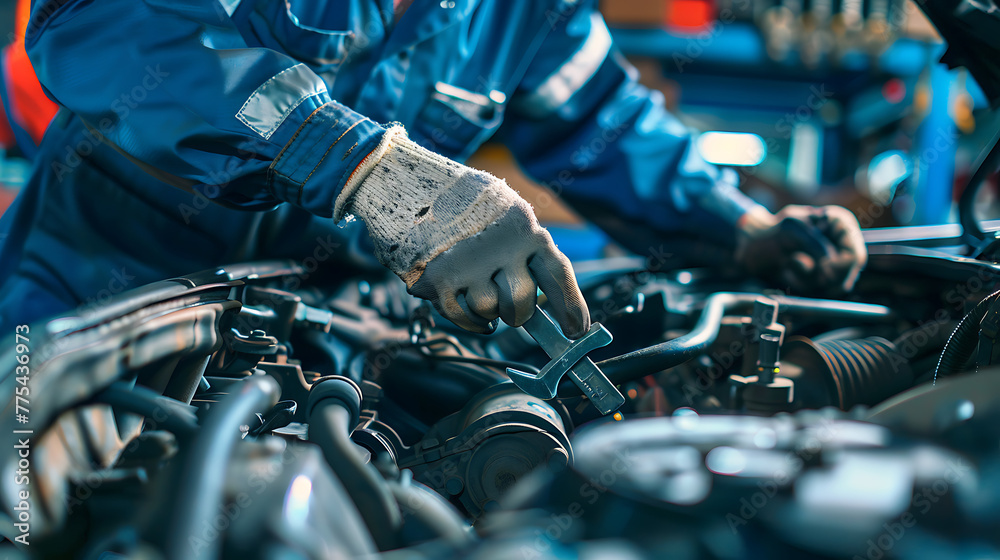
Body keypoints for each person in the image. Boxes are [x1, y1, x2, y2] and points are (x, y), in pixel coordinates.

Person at [0, 0, 866, 338]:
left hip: (316, 328)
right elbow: (102, 30)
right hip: (94, 300)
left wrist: (739, 226)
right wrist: (360, 164)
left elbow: (604, 121)